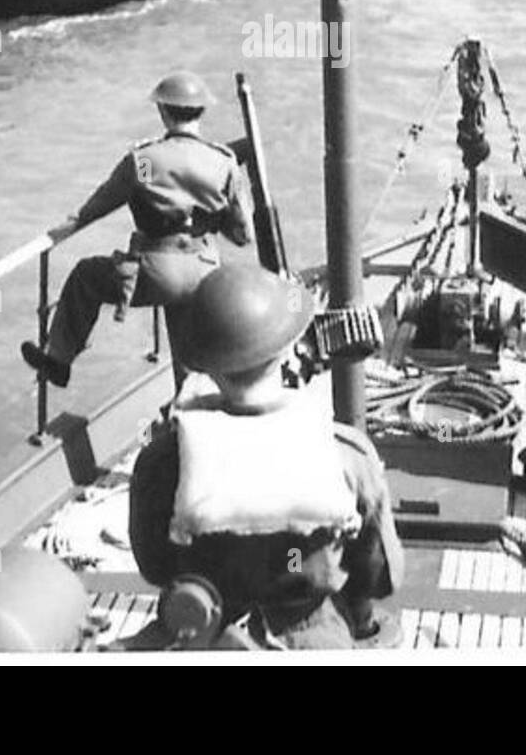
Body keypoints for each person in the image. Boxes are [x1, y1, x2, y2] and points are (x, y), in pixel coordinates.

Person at [127, 265, 404, 650]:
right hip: (314, 637)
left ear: (206, 366)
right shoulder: (349, 453)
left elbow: (155, 566)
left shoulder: (162, 462)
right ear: (289, 350)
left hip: (205, 630)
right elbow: (380, 574)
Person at [21, 71, 252, 390]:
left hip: (157, 273)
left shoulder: (145, 160)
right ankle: (191, 399)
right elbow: (243, 235)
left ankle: (58, 361)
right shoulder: (223, 161)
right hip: (205, 273)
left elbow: (99, 206)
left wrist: (58, 232)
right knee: (190, 345)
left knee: (86, 276)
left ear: (162, 111)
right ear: (201, 112)